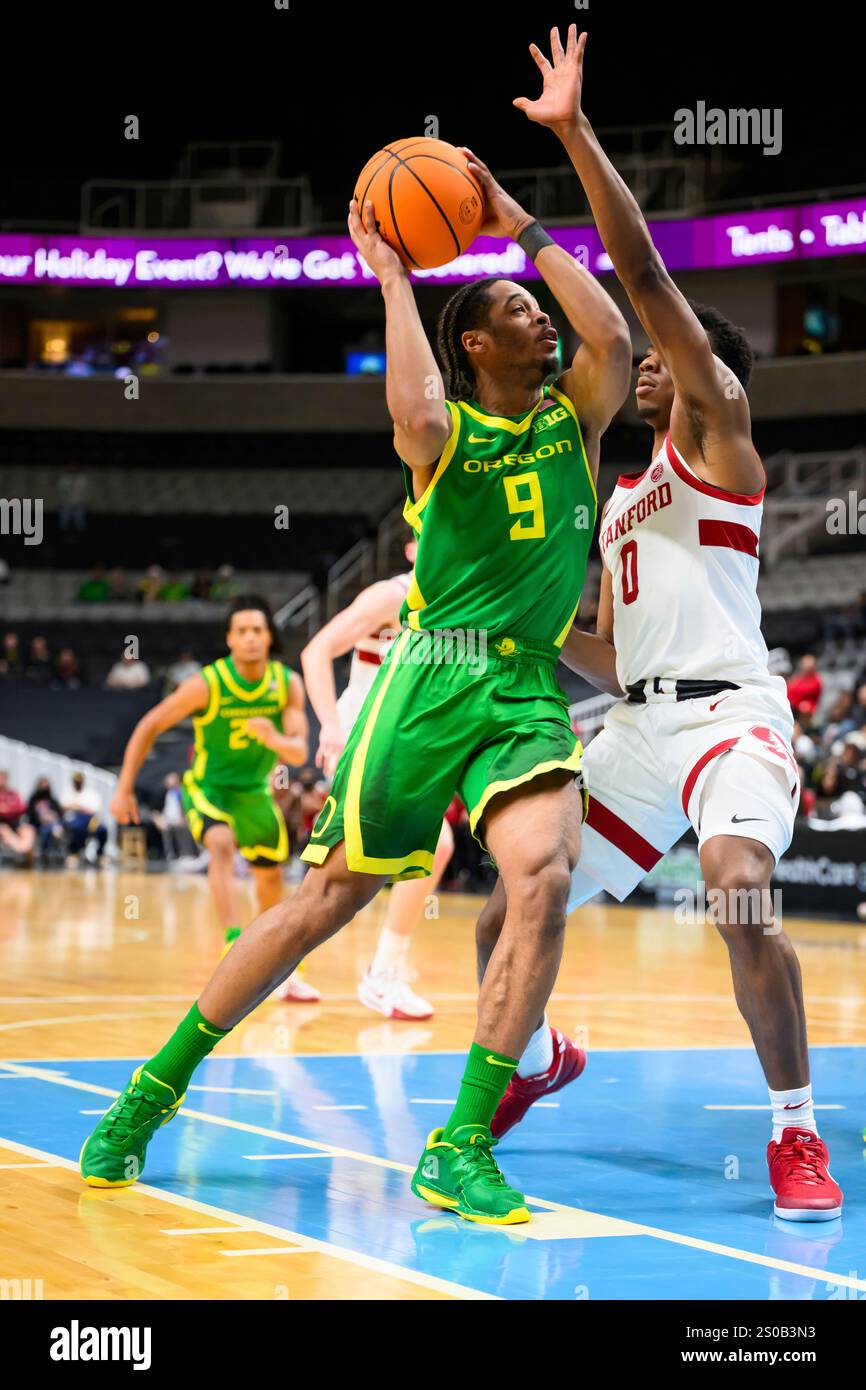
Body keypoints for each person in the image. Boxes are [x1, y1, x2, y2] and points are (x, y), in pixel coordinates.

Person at [80, 150, 631, 1223]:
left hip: (520, 687)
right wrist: (390, 273)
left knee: (543, 876)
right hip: (428, 679)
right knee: (324, 901)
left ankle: (459, 1140)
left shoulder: (575, 418)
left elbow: (611, 333)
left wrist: (514, 220)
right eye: (518, 310)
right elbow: (414, 417)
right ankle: (151, 1091)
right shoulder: (448, 436)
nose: (543, 320)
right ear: (472, 346)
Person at [474, 26, 842, 1221]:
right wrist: (521, 640)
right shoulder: (624, 501)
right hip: (634, 724)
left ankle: (792, 1132)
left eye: (666, 364)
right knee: (501, 903)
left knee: (737, 883)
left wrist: (570, 140)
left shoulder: (719, 432)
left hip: (733, 718)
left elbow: (639, 284)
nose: (641, 372)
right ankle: (533, 1063)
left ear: (698, 376)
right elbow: (614, 650)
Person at [103, 595, 317, 1001]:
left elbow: (299, 753)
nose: (251, 638)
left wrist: (274, 739)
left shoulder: (286, 683)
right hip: (208, 789)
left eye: (258, 630)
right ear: (230, 639)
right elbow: (149, 724)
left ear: (269, 636)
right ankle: (233, 939)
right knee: (220, 844)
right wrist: (124, 786)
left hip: (254, 793)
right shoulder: (207, 683)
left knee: (271, 878)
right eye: (243, 631)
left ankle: (278, 964)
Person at [301, 531, 453, 1020]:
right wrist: (328, 725)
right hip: (361, 736)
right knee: (438, 845)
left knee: (342, 869)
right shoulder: (392, 594)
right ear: (411, 549)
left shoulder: (457, 604)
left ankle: (289, 959)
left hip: (405, 745)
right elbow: (316, 651)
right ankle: (382, 971)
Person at [63, 771, 108, 865]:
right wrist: (81, 808)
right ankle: (73, 853)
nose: (78, 783)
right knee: (77, 828)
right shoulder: (68, 792)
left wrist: (78, 807)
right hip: (74, 819)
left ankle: (100, 854)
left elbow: (94, 810)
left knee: (103, 829)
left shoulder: (90, 793)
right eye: (76, 781)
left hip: (90, 819)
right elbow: (64, 807)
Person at [0, 771, 36, 862]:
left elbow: (22, 808)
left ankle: (26, 853)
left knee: (28, 829)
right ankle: (22, 850)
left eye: (3, 779)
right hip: (2, 824)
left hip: (15, 823)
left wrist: (6, 809)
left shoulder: (13, 793)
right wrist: (8, 810)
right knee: (4, 830)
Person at [27, 777, 66, 860]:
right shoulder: (33, 800)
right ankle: (44, 852)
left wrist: (53, 815)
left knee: (53, 827)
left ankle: (50, 850)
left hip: (52, 823)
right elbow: (30, 814)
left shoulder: (52, 800)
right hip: (39, 824)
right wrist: (41, 819)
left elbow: (59, 813)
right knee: (46, 830)